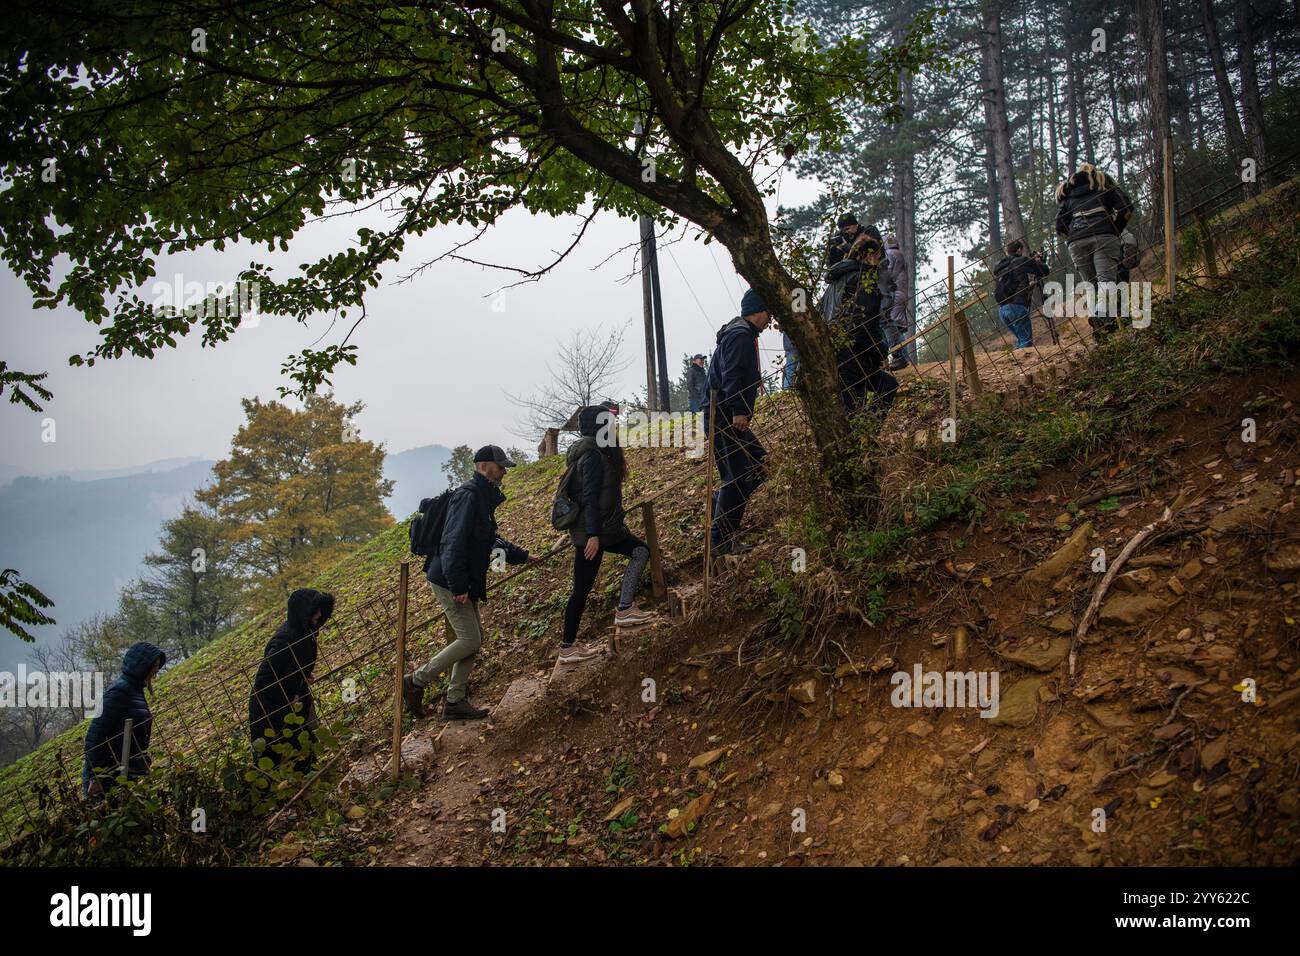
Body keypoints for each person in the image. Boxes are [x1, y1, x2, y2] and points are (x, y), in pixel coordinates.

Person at [402, 445, 537, 720]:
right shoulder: (469, 496)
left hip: (463, 578)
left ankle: (455, 701)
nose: (503, 472)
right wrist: (458, 585)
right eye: (500, 466)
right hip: (450, 579)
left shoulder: (483, 497)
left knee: (473, 639)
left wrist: (521, 556)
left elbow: (488, 540)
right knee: (469, 638)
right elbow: (453, 541)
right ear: (483, 465)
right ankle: (415, 681)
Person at [558, 403, 657, 665]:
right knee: (581, 589)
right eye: (610, 422)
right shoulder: (591, 455)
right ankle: (568, 647)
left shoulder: (599, 451)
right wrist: (592, 535)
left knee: (640, 551)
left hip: (604, 530)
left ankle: (624, 609)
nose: (614, 426)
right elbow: (589, 497)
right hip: (594, 533)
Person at [705, 289, 769, 556]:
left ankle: (721, 503)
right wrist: (738, 411)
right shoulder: (740, 336)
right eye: (768, 312)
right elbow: (732, 375)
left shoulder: (741, 333)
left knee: (759, 464)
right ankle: (721, 539)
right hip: (724, 416)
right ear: (758, 310)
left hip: (727, 414)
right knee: (738, 475)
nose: (770, 319)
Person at [248, 588, 335, 769]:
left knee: (304, 748)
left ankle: (305, 787)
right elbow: (264, 680)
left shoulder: (306, 633)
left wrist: (303, 676)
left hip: (291, 705)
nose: (319, 613)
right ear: (303, 611)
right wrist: (288, 697)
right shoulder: (284, 640)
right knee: (268, 758)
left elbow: (294, 666)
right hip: (269, 708)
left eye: (320, 608)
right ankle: (261, 795)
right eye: (314, 609)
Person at [1055, 163, 1134, 341]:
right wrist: (1115, 229)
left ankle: (1100, 334)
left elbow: (1060, 227)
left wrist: (1075, 235)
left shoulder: (1067, 196)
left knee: (1091, 286)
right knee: (1107, 282)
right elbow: (1126, 208)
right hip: (1104, 236)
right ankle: (1101, 317)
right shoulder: (1104, 186)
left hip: (1076, 242)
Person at [82, 642, 166, 798]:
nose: (156, 670)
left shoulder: (135, 691)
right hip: (109, 778)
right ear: (142, 666)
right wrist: (96, 777)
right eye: (154, 666)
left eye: (157, 666)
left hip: (128, 771)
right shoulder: (119, 692)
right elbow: (95, 736)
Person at [831, 234, 898, 417]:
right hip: (853, 357)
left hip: (835, 354)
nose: (878, 264)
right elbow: (864, 324)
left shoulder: (836, 282)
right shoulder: (863, 283)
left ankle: (865, 437)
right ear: (868, 256)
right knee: (854, 413)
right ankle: (864, 439)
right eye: (877, 257)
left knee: (886, 385)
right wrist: (880, 353)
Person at [992, 239, 1049, 349]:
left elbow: (1013, 281)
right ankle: (1024, 366)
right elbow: (1044, 270)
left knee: (1021, 339)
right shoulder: (1020, 261)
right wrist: (1037, 261)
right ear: (1019, 250)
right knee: (1026, 342)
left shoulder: (1000, 266)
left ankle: (1016, 362)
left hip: (1003, 310)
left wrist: (1029, 285)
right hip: (1017, 307)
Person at [882, 235, 912, 370]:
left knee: (891, 324)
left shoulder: (890, 254)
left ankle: (901, 358)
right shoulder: (899, 254)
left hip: (894, 295)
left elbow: (887, 274)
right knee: (897, 326)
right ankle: (902, 357)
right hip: (901, 294)